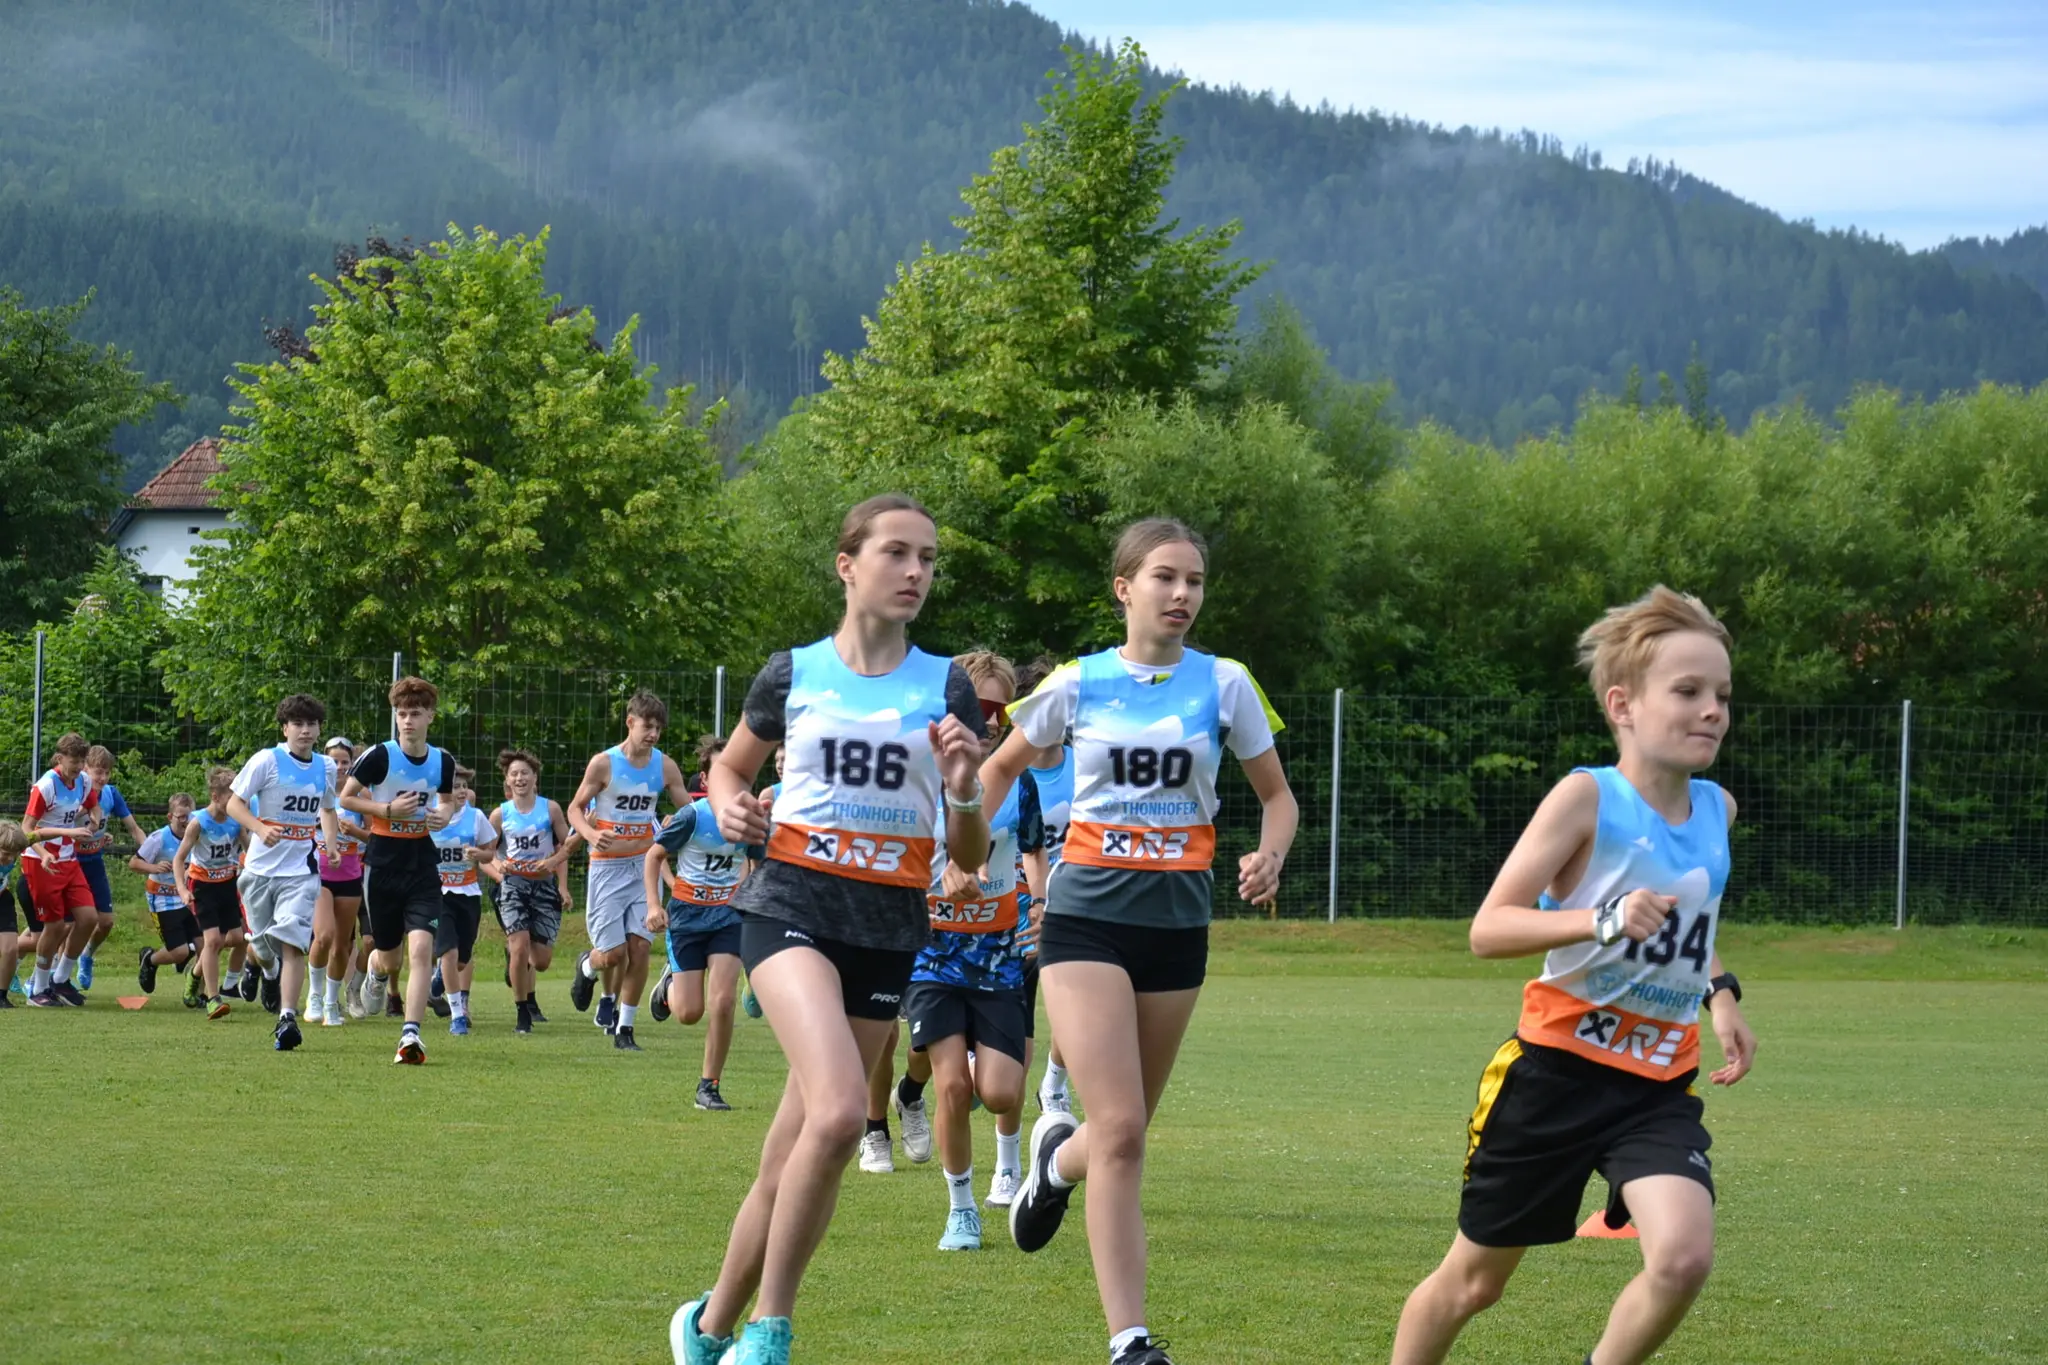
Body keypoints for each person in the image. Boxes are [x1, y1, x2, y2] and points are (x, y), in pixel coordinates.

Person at [1388, 586, 1759, 1365]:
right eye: (1688, 691)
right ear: (1623, 704)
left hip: (1655, 1085)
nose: (1712, 710)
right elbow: (1489, 929)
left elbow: (1693, 920)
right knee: (1474, 1284)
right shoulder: (1588, 797)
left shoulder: (1718, 809)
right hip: (1554, 1074)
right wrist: (1602, 917)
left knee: (1683, 1256)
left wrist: (1718, 991)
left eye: (1721, 694)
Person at [668, 494, 989, 1365]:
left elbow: (970, 845)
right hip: (789, 911)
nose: (917, 571)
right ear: (848, 564)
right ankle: (772, 1328)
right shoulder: (793, 672)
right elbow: (731, 768)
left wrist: (963, 783)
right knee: (847, 1110)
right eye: (897, 553)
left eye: (928, 557)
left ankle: (706, 1330)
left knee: (792, 1154)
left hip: (886, 932)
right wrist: (733, 808)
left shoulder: (948, 685)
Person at [985, 518, 1299, 1365]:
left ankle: (1053, 1168)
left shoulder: (1226, 684)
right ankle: (1130, 1342)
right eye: (1165, 577)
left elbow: (1279, 798)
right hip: (1085, 921)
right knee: (1120, 1127)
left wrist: (1269, 856)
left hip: (1176, 927)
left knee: (1122, 1134)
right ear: (1125, 588)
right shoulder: (1076, 683)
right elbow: (998, 770)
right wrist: (962, 848)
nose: (1183, 594)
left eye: (1195, 580)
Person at [906, 650, 1049, 1247]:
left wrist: (1040, 907)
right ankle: (960, 1208)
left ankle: (1017, 1161)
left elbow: (1035, 853)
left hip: (998, 953)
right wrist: (935, 879)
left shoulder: (1020, 782)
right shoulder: (917, 775)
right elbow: (895, 858)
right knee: (953, 1088)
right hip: (933, 953)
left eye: (1001, 709)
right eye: (978, 708)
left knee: (1001, 1092)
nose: (989, 721)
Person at [339, 675, 458, 1065]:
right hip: (383, 862)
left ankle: (411, 1035)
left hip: (422, 862)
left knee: (422, 947)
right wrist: (387, 811)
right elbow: (347, 798)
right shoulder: (380, 756)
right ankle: (374, 973)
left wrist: (442, 815)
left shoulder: (443, 760)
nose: (407, 721)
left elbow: (445, 803)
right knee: (389, 957)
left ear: (430, 716)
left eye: (415, 714)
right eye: (401, 713)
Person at [567, 690, 692, 1051]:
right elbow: (575, 808)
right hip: (606, 868)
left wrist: (681, 819)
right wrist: (590, 833)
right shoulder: (604, 764)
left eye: (658, 728)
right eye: (647, 726)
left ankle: (625, 1028)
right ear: (630, 722)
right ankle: (588, 966)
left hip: (643, 867)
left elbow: (688, 808)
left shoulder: (665, 766)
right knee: (613, 955)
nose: (653, 734)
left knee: (639, 948)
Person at [225, 694, 345, 1051]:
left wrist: (332, 844)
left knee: (293, 941)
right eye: (298, 724)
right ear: (285, 728)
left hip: (301, 870)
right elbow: (234, 803)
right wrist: (259, 829)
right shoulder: (267, 761)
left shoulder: (325, 767)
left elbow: (327, 809)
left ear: (319, 728)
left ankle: (287, 1018)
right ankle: (267, 970)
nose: (305, 730)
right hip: (260, 870)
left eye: (311, 724)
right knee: (263, 944)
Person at [646, 735, 759, 1108]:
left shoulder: (751, 818)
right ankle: (668, 987)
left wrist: (750, 893)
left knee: (724, 1001)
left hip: (728, 917)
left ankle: (708, 1086)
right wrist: (654, 905)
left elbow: (758, 861)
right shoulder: (692, 816)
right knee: (690, 1013)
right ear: (707, 780)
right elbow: (654, 856)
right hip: (688, 918)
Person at [1011, 654, 1076, 1116]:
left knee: (1082, 1008)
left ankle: (1053, 1082)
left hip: (1072, 903)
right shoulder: (1005, 771)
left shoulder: (1086, 763)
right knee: (1014, 1028)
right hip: (1008, 907)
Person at [489, 748, 575, 1034]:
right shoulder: (500, 814)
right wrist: (499, 865)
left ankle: (516, 957)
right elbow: (487, 851)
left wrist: (560, 881)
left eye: (525, 772)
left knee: (540, 961)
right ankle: (522, 1013)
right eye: (514, 773)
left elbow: (567, 844)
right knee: (519, 944)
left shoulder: (550, 809)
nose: (519, 777)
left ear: (535, 778)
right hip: (513, 885)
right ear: (507, 780)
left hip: (543, 884)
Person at [21, 732, 104, 1007]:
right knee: (55, 926)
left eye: (82, 761)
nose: (79, 767)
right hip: (40, 862)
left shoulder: (82, 781)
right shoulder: (46, 786)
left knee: (89, 918)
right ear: (60, 758)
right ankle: (38, 988)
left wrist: (92, 826)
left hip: (69, 860)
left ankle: (61, 979)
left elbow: (95, 809)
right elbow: (26, 830)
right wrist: (44, 853)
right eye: (73, 761)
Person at [174, 767, 253, 1019]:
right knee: (212, 941)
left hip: (228, 884)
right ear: (216, 797)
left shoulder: (236, 821)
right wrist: (182, 889)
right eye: (232, 797)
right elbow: (178, 860)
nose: (237, 803)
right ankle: (212, 998)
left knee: (237, 938)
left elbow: (250, 851)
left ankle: (195, 973)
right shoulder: (198, 823)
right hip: (203, 887)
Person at [429, 765, 498, 1035]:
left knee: (461, 959)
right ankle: (457, 1014)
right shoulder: (430, 817)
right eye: (453, 787)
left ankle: (439, 978)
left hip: (468, 894)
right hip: (438, 894)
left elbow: (490, 853)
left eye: (462, 786)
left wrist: (477, 856)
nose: (459, 792)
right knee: (449, 951)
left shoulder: (476, 817)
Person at [75, 744, 147, 992]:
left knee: (105, 922)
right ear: (85, 769)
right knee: (70, 922)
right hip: (70, 862)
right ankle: (56, 976)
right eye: (98, 772)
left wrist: (149, 854)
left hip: (94, 861)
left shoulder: (111, 794)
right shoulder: (74, 792)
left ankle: (86, 955)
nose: (103, 778)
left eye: (106, 773)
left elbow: (134, 829)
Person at [311, 736, 366, 1026]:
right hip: (318, 875)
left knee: (343, 944)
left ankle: (333, 1003)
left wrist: (355, 833)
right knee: (324, 936)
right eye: (334, 761)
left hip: (350, 876)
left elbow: (378, 838)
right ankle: (315, 997)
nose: (340, 767)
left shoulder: (361, 797)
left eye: (345, 762)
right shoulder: (315, 789)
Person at [133, 793, 199, 998]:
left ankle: (199, 994)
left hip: (189, 897)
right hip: (163, 899)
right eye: (180, 816)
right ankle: (150, 960)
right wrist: (154, 867)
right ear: (170, 817)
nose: (185, 821)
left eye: (189, 816)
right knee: (179, 951)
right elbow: (134, 863)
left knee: (207, 947)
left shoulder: (198, 834)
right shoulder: (159, 838)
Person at [0, 822, 55, 1009]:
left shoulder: (16, 845)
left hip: (2, 899)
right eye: (5, 854)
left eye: (13, 854)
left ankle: (1, 996)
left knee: (9, 949)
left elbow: (39, 835)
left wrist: (70, 831)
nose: (9, 859)